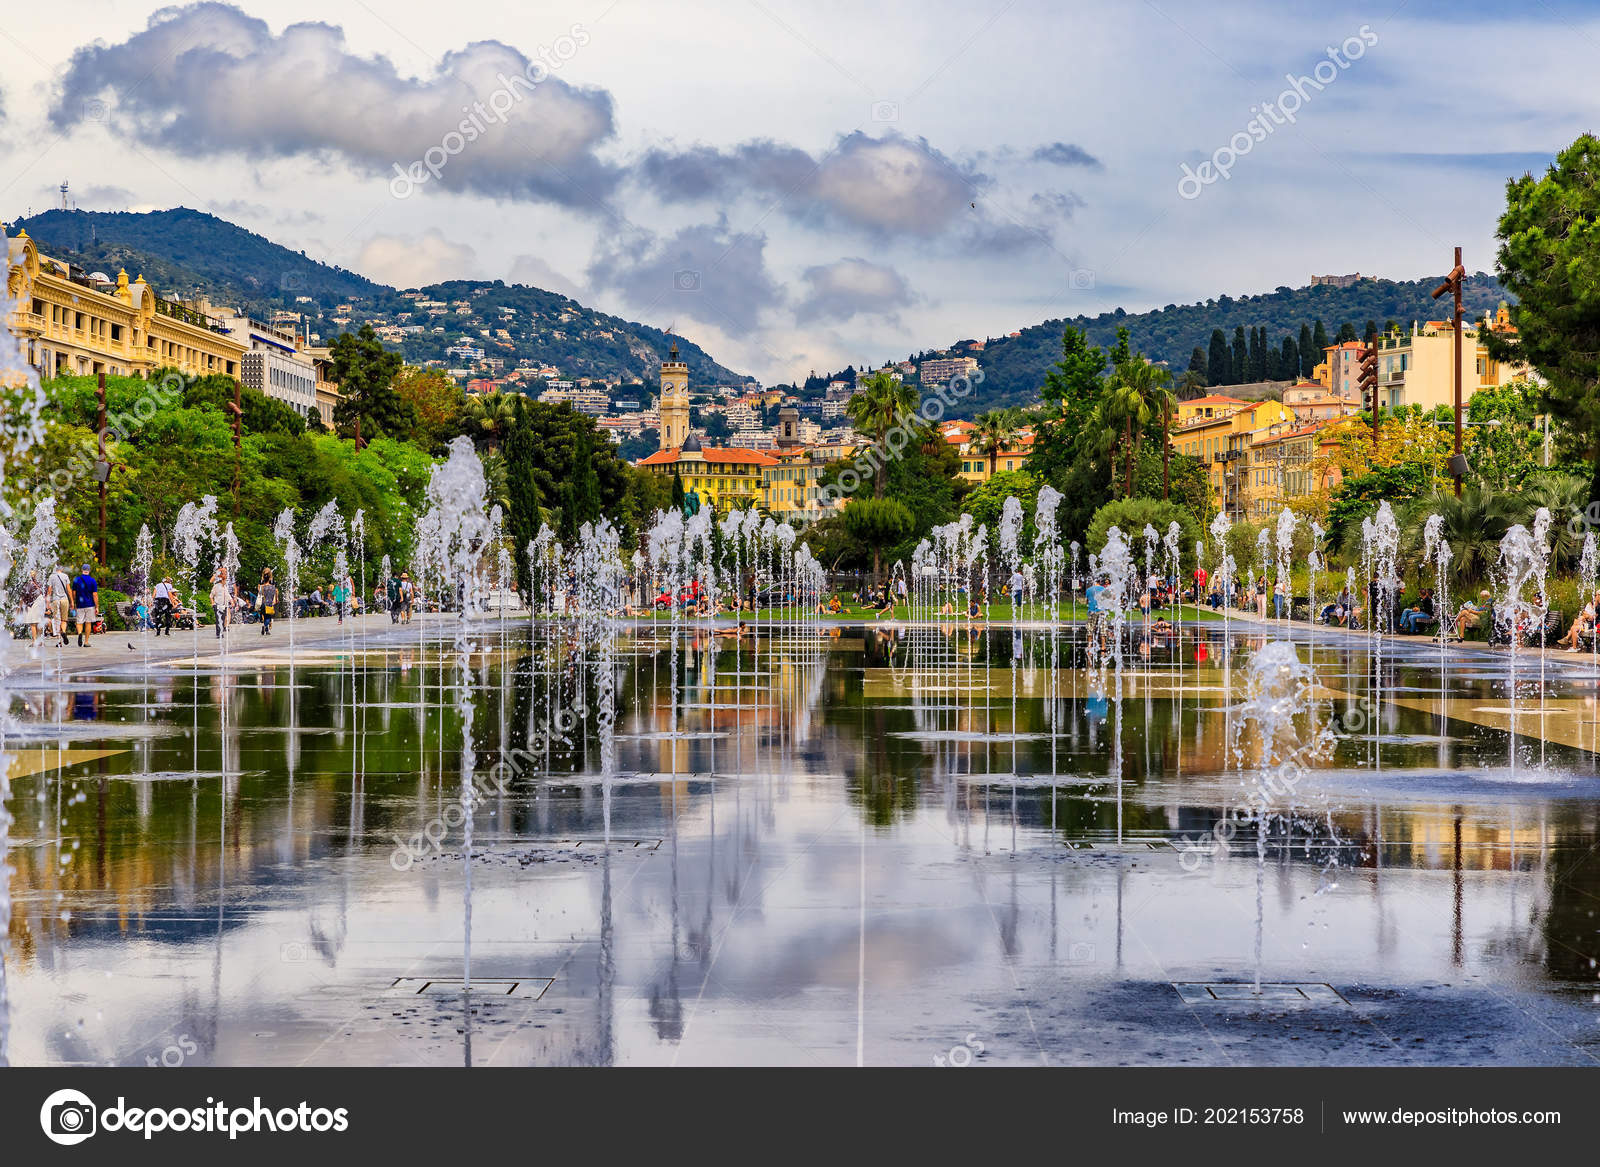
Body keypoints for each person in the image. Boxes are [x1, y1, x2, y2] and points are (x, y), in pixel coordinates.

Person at [71, 562, 99, 647]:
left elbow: (73, 592)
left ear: (82, 570)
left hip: (80, 604)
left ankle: (80, 633)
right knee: (88, 623)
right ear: (89, 570)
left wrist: (75, 602)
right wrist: (97, 606)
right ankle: (86, 642)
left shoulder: (77, 580)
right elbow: (95, 594)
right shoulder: (92, 580)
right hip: (90, 604)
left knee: (79, 622)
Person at [48, 562, 73, 647]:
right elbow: (69, 590)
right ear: (62, 569)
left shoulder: (51, 576)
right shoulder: (65, 576)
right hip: (64, 599)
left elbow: (49, 590)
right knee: (64, 619)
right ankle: (64, 631)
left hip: (55, 600)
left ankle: (59, 641)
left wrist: (47, 602)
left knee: (57, 620)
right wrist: (72, 601)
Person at [210, 570, 232, 639]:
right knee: (218, 619)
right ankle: (218, 633)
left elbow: (227, 595)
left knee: (223, 619)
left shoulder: (225, 587)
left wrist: (231, 600)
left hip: (224, 605)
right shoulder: (216, 586)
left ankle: (221, 632)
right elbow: (211, 596)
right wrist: (213, 603)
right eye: (224, 576)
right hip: (217, 605)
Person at [258, 568, 278, 635]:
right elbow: (275, 592)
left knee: (265, 616)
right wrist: (275, 599)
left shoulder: (261, 586)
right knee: (268, 617)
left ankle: (266, 628)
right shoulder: (272, 586)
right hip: (269, 603)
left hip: (263, 603)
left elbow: (259, 593)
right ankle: (265, 627)